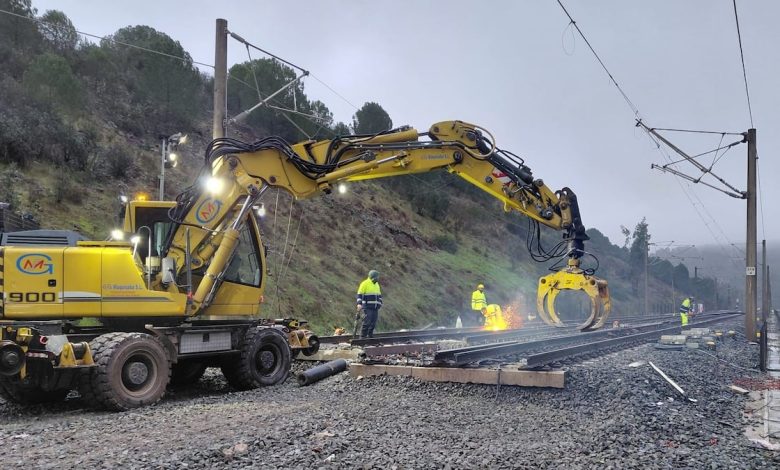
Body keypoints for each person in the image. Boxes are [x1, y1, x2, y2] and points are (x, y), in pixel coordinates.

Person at [356, 270, 382, 338]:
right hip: (367, 307)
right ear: (373, 277)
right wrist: (359, 303)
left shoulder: (376, 284)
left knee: (373, 323)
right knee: (367, 322)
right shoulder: (365, 283)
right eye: (377, 277)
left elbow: (379, 295)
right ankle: (363, 337)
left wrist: (380, 303)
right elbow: (360, 294)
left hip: (375, 307)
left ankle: (370, 336)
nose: (378, 278)